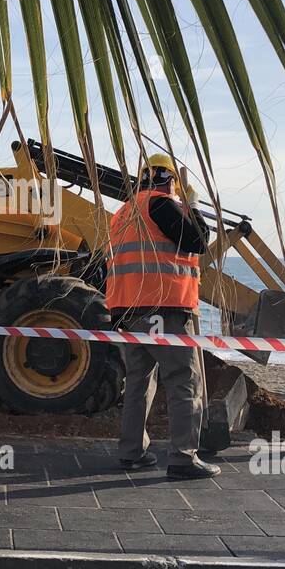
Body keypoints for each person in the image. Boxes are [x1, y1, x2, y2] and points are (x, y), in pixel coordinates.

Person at [106, 153, 219, 480]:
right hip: (166, 309)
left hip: (128, 310)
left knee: (139, 382)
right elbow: (196, 241)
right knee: (183, 380)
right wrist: (194, 205)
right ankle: (184, 457)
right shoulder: (160, 205)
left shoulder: (123, 213)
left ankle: (132, 454)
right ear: (170, 180)